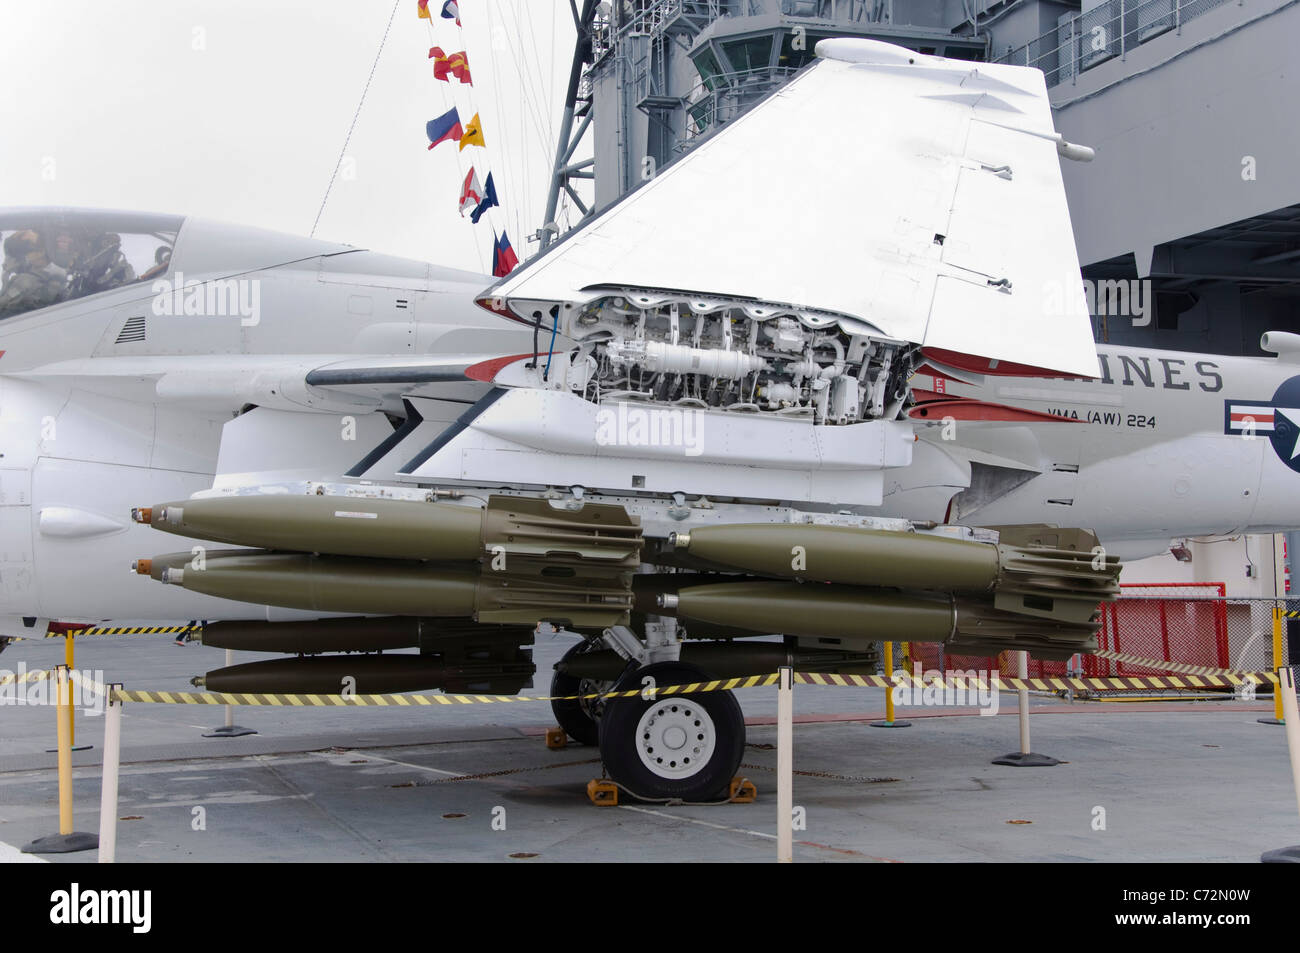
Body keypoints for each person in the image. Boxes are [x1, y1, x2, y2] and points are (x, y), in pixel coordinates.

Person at [0, 229, 70, 317]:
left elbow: (2, 305)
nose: (20, 257)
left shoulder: (25, 281)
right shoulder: (59, 274)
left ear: (40, 252)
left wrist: (6, 275)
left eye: (25, 251)